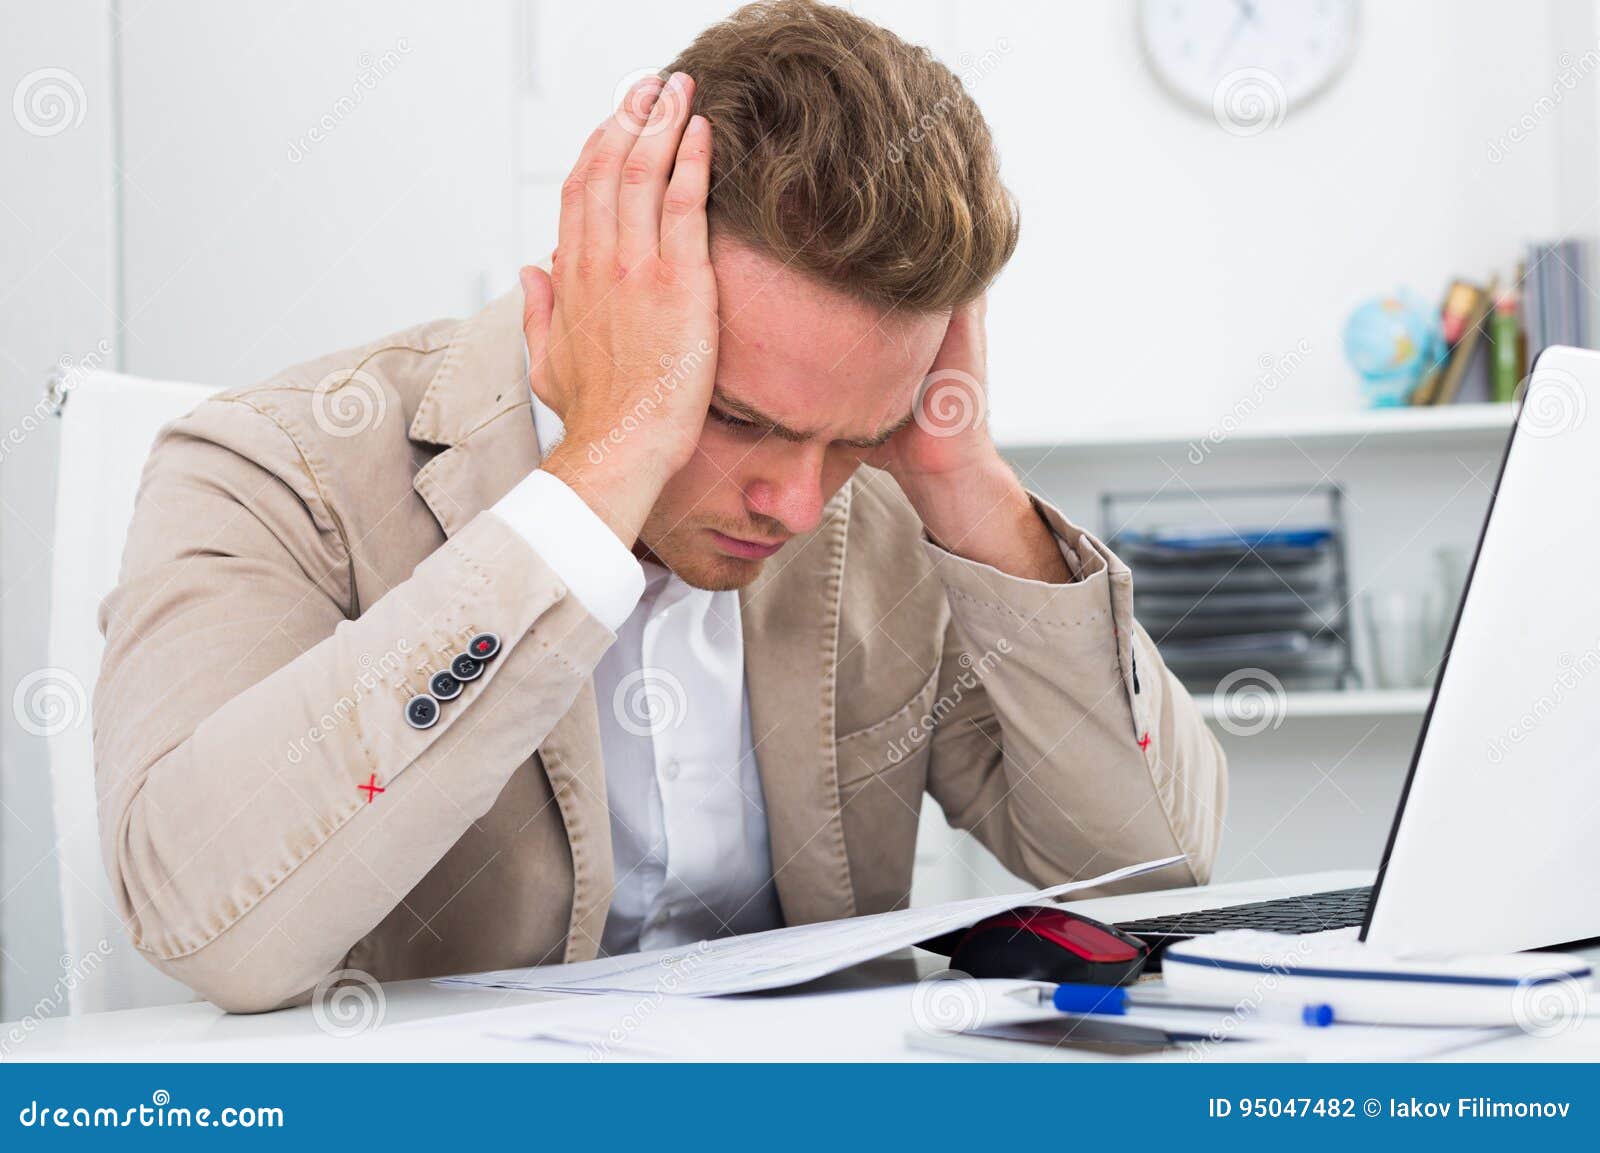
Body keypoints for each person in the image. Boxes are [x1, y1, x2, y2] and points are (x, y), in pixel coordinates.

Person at [94, 0, 1225, 1012]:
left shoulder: (892, 502)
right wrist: (610, 459)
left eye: (852, 434)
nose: (795, 501)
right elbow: (212, 927)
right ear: (597, 285)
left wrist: (962, 480)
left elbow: (1156, 869)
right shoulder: (273, 463)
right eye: (733, 415)